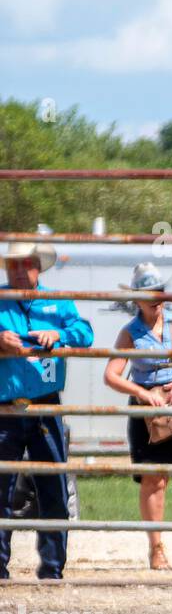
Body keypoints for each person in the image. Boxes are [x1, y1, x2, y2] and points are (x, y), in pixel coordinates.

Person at [103, 263, 172, 572]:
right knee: (154, 480)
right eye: (150, 292)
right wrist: (142, 391)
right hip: (149, 410)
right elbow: (111, 375)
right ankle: (157, 549)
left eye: (160, 291)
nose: (157, 298)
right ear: (137, 298)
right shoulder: (130, 333)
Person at [0, 242, 93, 580]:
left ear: (38, 267)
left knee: (53, 486)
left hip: (45, 403)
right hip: (5, 406)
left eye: (25, 264)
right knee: (1, 488)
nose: (19, 270)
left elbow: (85, 333)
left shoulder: (58, 300)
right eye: (13, 264)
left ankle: (53, 569)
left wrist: (59, 333)